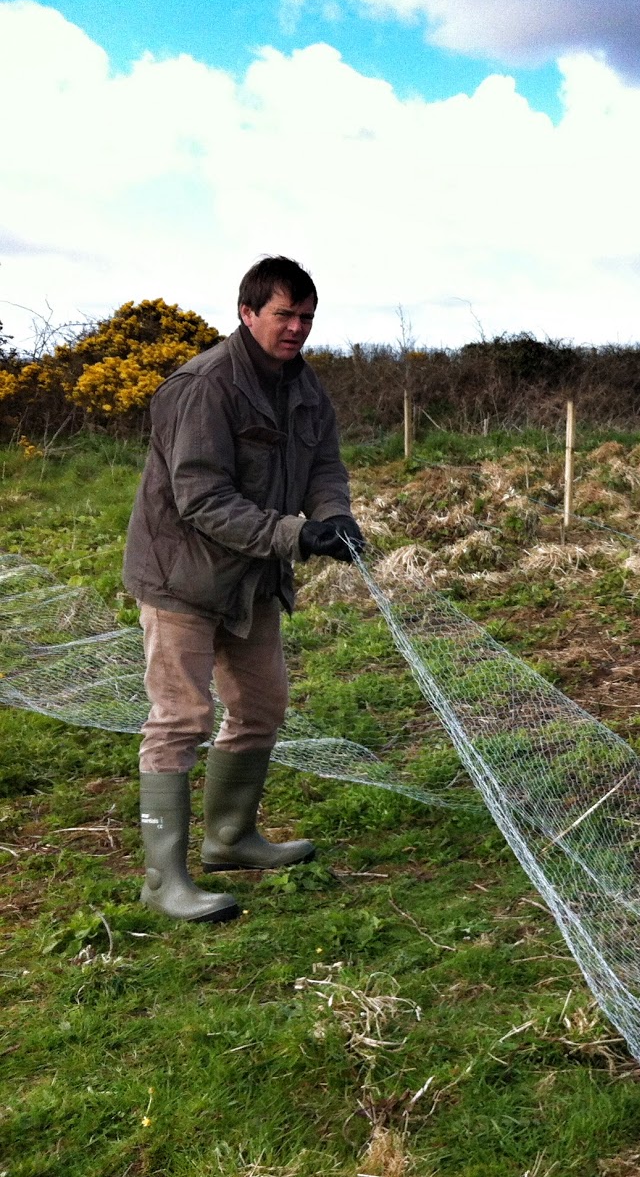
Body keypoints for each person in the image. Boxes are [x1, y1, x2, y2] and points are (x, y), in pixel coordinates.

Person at [123, 256, 366, 922]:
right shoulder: (203, 385)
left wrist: (333, 515)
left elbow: (324, 465)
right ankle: (163, 879)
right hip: (182, 574)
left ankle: (230, 838)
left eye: (306, 316)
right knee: (180, 719)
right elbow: (200, 497)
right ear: (247, 312)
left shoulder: (305, 387)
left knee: (261, 705)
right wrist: (295, 534)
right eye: (284, 314)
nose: (297, 328)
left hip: (253, 576)